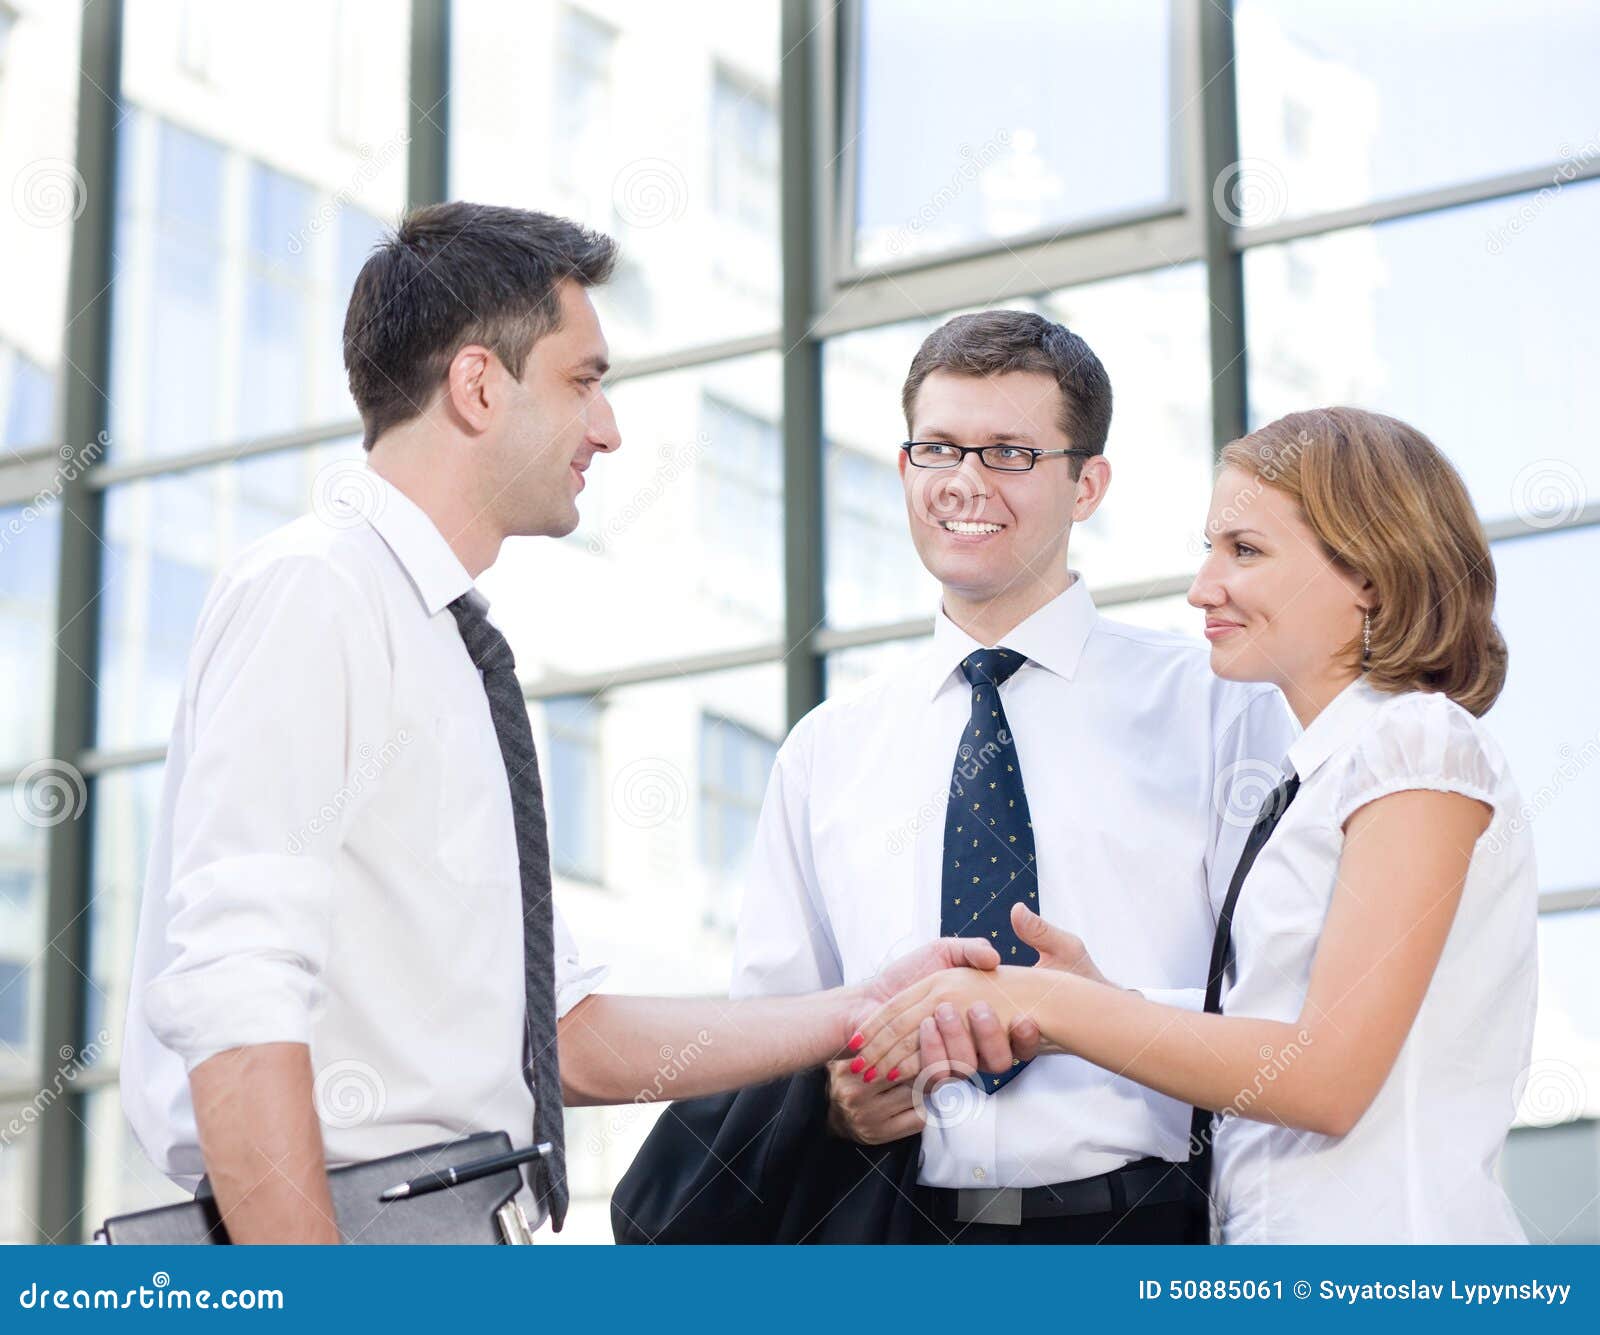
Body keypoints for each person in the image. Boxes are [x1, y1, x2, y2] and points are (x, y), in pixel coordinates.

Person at [118, 202, 1000, 1244]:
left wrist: (861, 1007)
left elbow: (566, 1040)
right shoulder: (318, 593)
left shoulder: (442, 644)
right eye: (584, 381)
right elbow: (235, 987)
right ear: (479, 386)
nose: (608, 427)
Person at [850, 407, 1537, 1244]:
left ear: (1371, 574)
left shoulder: (1415, 743)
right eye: (1209, 548)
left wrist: (1052, 1004)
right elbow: (1282, 1030)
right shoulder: (1316, 774)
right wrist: (1110, 998)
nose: (1203, 586)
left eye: (1244, 551)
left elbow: (1324, 1076)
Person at [725, 310, 1298, 1243]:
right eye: (938, 448)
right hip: (897, 1237)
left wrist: (1093, 1009)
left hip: (1145, 1231)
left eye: (1009, 454)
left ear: (1088, 484)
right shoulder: (826, 752)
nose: (964, 483)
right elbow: (772, 1026)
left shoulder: (1221, 708)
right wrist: (832, 1100)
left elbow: (1289, 1008)